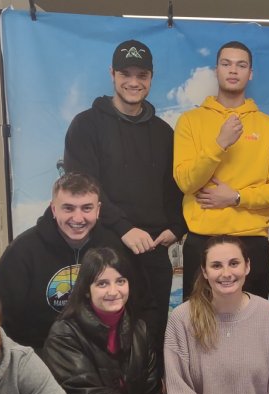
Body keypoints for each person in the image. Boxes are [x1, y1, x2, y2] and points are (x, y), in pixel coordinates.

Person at [64, 39, 186, 341]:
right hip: (106, 248)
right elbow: (83, 190)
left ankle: (152, 390)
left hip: (154, 253)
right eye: (125, 74)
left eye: (141, 76)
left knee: (154, 337)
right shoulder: (85, 126)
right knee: (107, 337)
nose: (133, 82)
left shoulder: (163, 132)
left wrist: (177, 226)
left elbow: (177, 189)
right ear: (112, 74)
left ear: (151, 78)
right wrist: (123, 228)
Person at [174, 41, 269, 300]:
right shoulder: (189, 122)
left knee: (251, 328)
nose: (233, 70)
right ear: (216, 70)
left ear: (250, 73)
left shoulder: (268, 126)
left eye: (241, 65)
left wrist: (237, 197)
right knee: (198, 327)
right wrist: (219, 144)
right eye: (226, 64)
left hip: (251, 242)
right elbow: (185, 182)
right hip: (201, 240)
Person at [0, 172, 125, 351]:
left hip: (102, 354)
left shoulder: (115, 246)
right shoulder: (22, 252)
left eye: (86, 208)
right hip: (38, 358)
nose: (78, 218)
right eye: (68, 208)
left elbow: (141, 305)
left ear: (98, 209)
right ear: (53, 209)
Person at [164, 236, 269, 394]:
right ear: (205, 271)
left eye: (234, 263)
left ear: (247, 266)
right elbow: (179, 390)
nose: (226, 273)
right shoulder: (182, 319)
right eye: (216, 265)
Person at [42, 247, 161, 394]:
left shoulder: (139, 329)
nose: (113, 291)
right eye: (102, 284)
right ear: (86, 290)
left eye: (120, 281)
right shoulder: (64, 334)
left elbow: (152, 391)